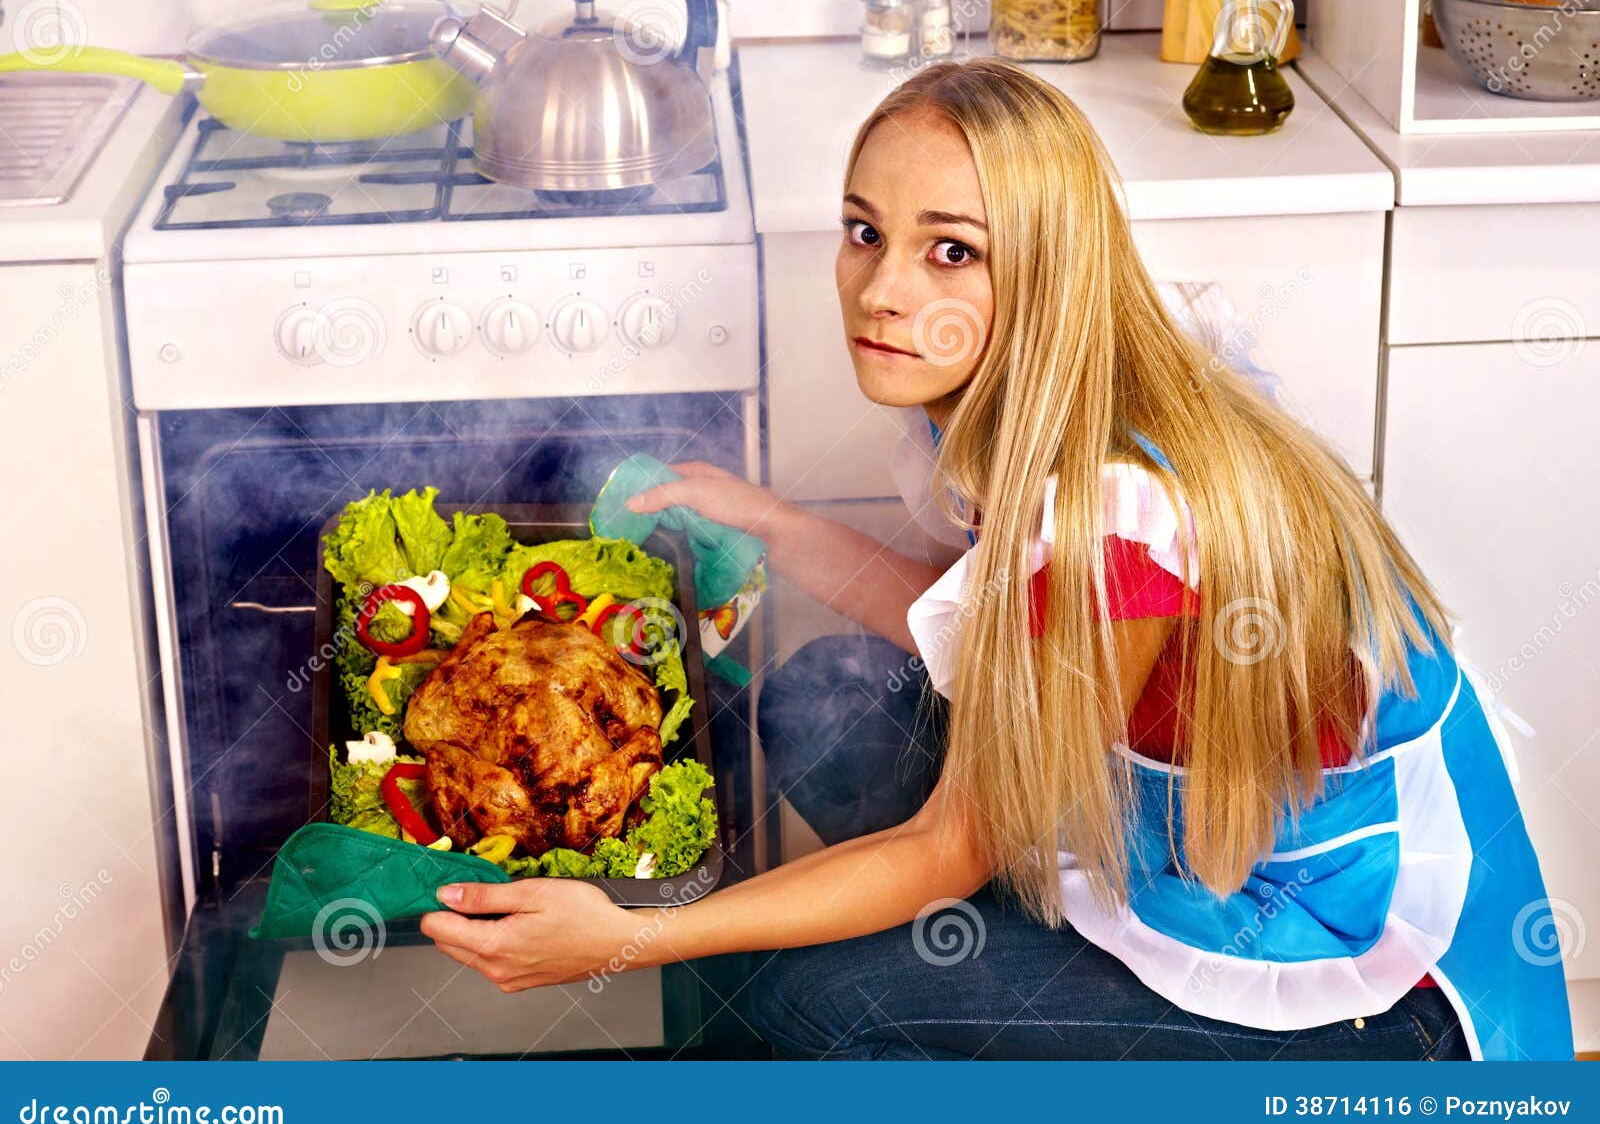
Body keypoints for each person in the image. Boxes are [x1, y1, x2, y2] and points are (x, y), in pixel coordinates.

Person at [419, 58, 1573, 1061]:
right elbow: (984, 630)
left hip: (1368, 981)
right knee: (827, 698)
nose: (882, 290)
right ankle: (1010, 1001)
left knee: (821, 1009)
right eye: (866, 231)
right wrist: (766, 516)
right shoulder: (1038, 389)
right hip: (1169, 829)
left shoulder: (1110, 513)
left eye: (951, 253)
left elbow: (951, 844)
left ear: (1044, 273)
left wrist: (629, 937)